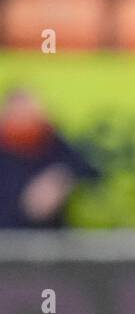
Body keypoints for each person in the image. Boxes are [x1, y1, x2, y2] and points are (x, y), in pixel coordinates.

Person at [0, 90, 98, 230]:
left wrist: (61, 179)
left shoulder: (52, 142)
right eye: (19, 114)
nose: (24, 120)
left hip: (47, 239)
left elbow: (90, 172)